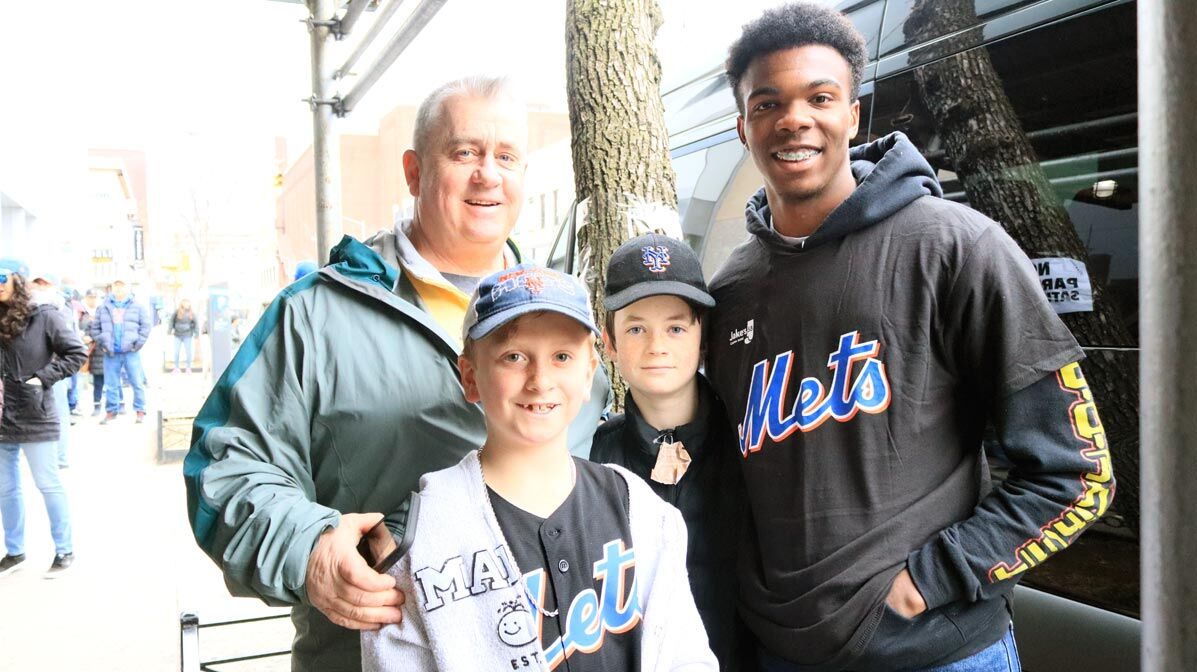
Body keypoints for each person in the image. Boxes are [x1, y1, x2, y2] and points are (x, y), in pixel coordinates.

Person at [705, 4, 1116, 670]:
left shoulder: (956, 246)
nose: (793, 119)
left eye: (819, 97)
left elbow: (1077, 474)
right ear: (742, 126)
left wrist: (929, 582)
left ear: (852, 115)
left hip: (936, 651)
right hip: (778, 651)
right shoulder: (730, 290)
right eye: (766, 103)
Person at [183, 76, 608, 672]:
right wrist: (308, 549)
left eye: (506, 156)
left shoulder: (567, 319)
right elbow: (227, 468)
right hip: (373, 651)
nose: (489, 174)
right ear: (413, 173)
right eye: (464, 153)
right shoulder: (315, 314)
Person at [361, 263, 715, 671]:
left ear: (588, 374)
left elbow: (686, 658)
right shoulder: (421, 534)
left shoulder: (640, 511)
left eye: (562, 356)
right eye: (513, 357)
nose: (540, 379)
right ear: (471, 376)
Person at [589, 232, 747, 669]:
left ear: (704, 338)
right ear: (610, 343)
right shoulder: (594, 458)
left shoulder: (747, 440)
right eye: (636, 328)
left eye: (676, 328)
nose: (657, 345)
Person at [0, 259, 86, 578]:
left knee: (47, 483)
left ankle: (65, 550)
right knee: (5, 488)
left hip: (35, 412)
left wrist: (42, 378)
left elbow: (75, 353)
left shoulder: (46, 315)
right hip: (1, 414)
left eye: (1, 277)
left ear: (18, 280)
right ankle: (15, 551)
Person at [90, 278, 151, 424]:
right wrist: (102, 343)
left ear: (128, 288)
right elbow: (95, 328)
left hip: (131, 352)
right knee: (111, 384)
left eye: (122, 286)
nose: (118, 289)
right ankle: (111, 411)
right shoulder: (103, 307)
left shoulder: (138, 306)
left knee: (137, 382)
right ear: (111, 288)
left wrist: (138, 344)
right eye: (116, 286)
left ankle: (140, 410)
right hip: (110, 352)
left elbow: (146, 327)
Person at [29, 273, 74, 467]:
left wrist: (53, 371)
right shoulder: (32, 308)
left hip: (54, 370)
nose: (40, 287)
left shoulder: (59, 308)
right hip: (35, 370)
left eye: (44, 284)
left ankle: (60, 457)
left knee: (58, 413)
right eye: (37, 284)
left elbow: (71, 347)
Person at [78, 289, 109, 416]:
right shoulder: (82, 313)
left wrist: (92, 337)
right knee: (97, 381)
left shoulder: (104, 313)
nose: (93, 299)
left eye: (95, 297)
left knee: (111, 381)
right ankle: (97, 406)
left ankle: (113, 406)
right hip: (93, 352)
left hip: (106, 350)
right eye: (91, 297)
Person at [168, 298, 198, 373]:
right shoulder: (177, 312)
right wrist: (169, 330)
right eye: (185, 303)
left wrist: (196, 334)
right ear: (182, 304)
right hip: (177, 335)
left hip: (187, 335)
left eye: (188, 303)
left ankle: (188, 368)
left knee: (188, 352)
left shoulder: (192, 313)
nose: (186, 304)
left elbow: (196, 324)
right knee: (176, 352)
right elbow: (171, 321)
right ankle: (176, 368)